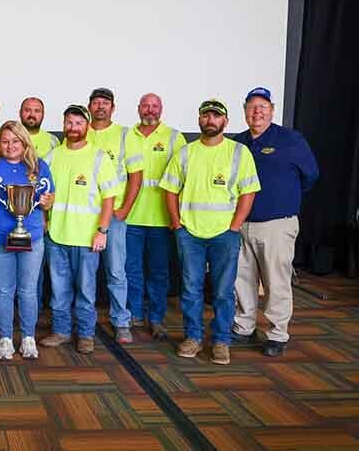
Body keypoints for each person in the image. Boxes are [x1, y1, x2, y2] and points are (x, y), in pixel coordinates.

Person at [160, 99, 260, 365]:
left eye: (216, 116)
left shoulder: (239, 152)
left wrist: (235, 225)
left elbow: (248, 193)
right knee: (191, 289)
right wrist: (177, 223)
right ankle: (193, 337)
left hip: (224, 235)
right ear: (199, 120)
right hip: (190, 233)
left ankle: (221, 341)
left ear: (225, 122)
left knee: (223, 291)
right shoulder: (186, 153)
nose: (210, 120)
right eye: (206, 116)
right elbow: (170, 189)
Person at [233, 87, 319, 356]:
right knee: (241, 279)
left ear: (272, 109)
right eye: (251, 106)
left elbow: (311, 176)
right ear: (244, 111)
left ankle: (277, 333)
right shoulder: (238, 143)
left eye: (262, 106)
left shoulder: (290, 139)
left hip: (276, 225)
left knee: (275, 281)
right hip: (240, 224)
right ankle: (244, 327)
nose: (257, 111)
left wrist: (282, 199)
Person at [40, 105, 120, 354]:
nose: (73, 128)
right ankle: (62, 331)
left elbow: (109, 198)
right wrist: (44, 214)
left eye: (78, 123)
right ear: (63, 125)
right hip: (57, 237)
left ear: (86, 126)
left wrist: (102, 231)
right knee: (59, 290)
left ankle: (86, 334)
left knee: (86, 291)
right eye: (69, 123)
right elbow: (46, 194)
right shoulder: (52, 157)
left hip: (87, 239)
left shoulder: (98, 157)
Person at [0, 121, 54, 360]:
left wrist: (47, 201)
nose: (10, 145)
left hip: (31, 237)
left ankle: (28, 337)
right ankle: (5, 339)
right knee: (3, 290)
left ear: (25, 142)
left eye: (15, 141)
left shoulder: (39, 166)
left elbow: (50, 196)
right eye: (5, 141)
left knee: (28, 290)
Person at [125, 93, 186, 340]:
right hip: (131, 218)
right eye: (146, 106)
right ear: (138, 108)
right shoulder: (128, 135)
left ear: (161, 109)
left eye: (155, 106)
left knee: (159, 272)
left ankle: (157, 318)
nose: (150, 110)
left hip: (162, 219)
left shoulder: (175, 138)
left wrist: (177, 216)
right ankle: (135, 314)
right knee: (131, 270)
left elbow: (183, 177)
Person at [86, 87, 144, 343]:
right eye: (96, 102)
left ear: (113, 108)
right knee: (85, 275)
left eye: (105, 103)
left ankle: (121, 321)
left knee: (116, 272)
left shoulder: (124, 135)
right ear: (89, 106)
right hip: (84, 218)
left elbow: (136, 176)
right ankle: (83, 322)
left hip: (114, 219)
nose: (100, 106)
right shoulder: (79, 131)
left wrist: (125, 209)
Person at [20, 96, 59, 316]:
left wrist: (47, 215)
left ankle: (34, 317)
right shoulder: (13, 136)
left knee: (38, 274)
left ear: (43, 115)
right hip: (13, 217)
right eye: (28, 110)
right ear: (20, 112)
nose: (32, 114)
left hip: (41, 218)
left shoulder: (53, 142)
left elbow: (53, 185)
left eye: (36, 110)